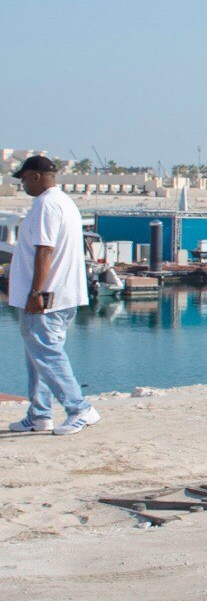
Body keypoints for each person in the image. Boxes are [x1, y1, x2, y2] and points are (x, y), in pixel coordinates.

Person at [7, 155, 96, 435]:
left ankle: (80, 408)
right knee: (38, 354)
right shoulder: (64, 203)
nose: (22, 185)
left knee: (47, 354)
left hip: (46, 296)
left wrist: (36, 292)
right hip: (59, 293)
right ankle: (40, 414)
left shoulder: (46, 205)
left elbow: (45, 250)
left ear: (35, 176)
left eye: (23, 179)